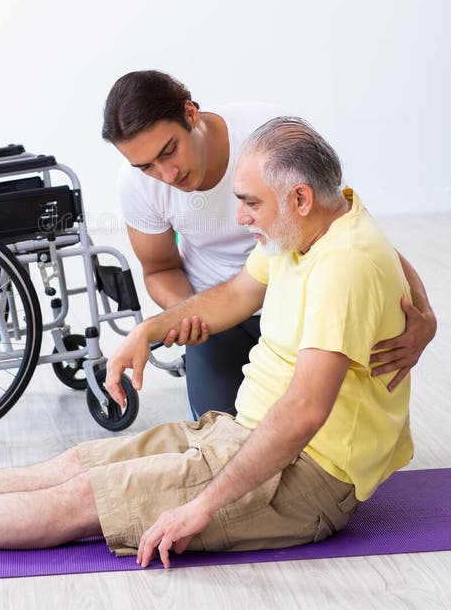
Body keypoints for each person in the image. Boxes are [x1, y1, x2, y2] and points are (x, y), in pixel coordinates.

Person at [0, 118, 418, 568]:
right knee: (73, 464)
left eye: (251, 204)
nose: (241, 218)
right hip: (242, 434)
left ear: (298, 199)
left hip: (302, 477)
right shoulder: (312, 221)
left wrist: (198, 507)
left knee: (77, 501)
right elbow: (232, 297)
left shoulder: (342, 265)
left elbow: (302, 414)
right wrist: (147, 330)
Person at [102, 70, 436, 417]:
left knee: (316, 430)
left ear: (190, 114)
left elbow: (350, 227)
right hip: (220, 310)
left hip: (299, 300)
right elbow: (160, 269)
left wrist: (425, 313)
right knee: (222, 430)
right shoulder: (136, 186)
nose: (166, 175)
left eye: (169, 151)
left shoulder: (270, 136)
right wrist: (193, 315)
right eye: (147, 167)